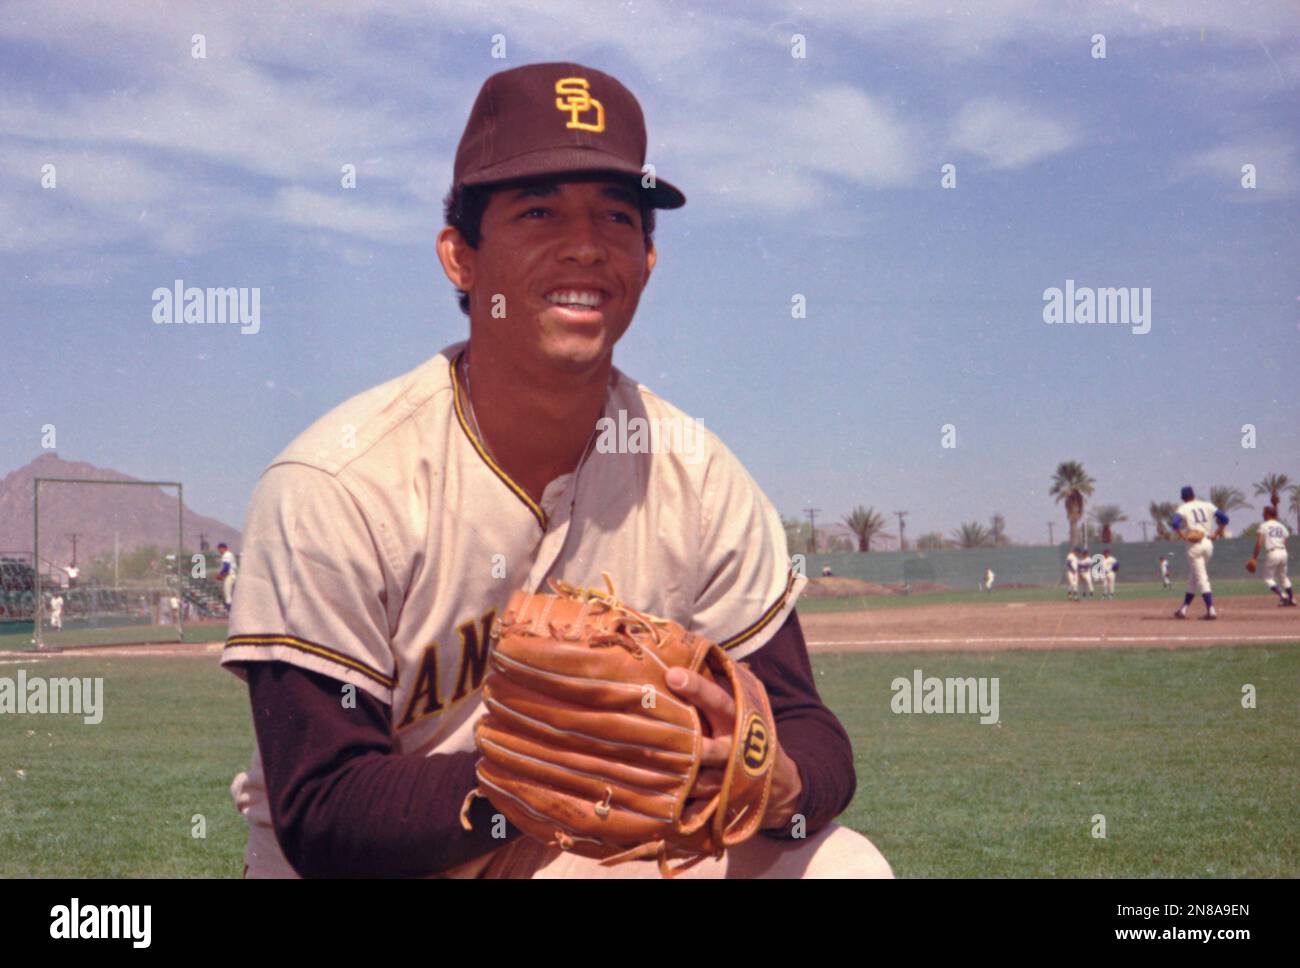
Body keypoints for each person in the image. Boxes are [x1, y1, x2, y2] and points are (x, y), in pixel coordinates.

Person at [220, 62, 890, 880]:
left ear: (647, 261)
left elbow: (808, 728)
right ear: (460, 257)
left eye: (616, 215)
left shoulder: (697, 473)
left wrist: (773, 778)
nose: (584, 245)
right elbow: (322, 806)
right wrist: (561, 772)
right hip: (366, 869)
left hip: (587, 851)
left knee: (838, 868)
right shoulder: (337, 484)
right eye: (539, 211)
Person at [1170, 485, 1227, 619]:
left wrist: (1182, 535)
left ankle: (1211, 610)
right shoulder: (1207, 505)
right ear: (1194, 495)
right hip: (1208, 543)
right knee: (1193, 578)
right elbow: (1225, 519)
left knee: (1201, 577)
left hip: (1194, 545)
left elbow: (1174, 523)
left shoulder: (1183, 508)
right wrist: (1216, 533)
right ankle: (1183, 610)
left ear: (1183, 498)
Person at [1248, 506, 1294, 606]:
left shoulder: (1264, 526)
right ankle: (1291, 599)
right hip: (1283, 552)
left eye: (1264, 513)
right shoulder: (1282, 526)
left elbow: (1259, 543)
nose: (1262, 515)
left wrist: (1254, 557)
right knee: (1283, 577)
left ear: (1268, 514)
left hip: (1273, 552)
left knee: (1267, 578)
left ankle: (1283, 595)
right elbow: (1285, 542)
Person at [215, 542, 237, 615]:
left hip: (229, 576)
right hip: (234, 576)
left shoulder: (226, 554)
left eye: (219, 550)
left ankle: (231, 614)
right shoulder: (230, 554)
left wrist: (220, 575)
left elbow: (226, 567)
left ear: (222, 548)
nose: (219, 551)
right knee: (233, 595)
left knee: (227, 596)